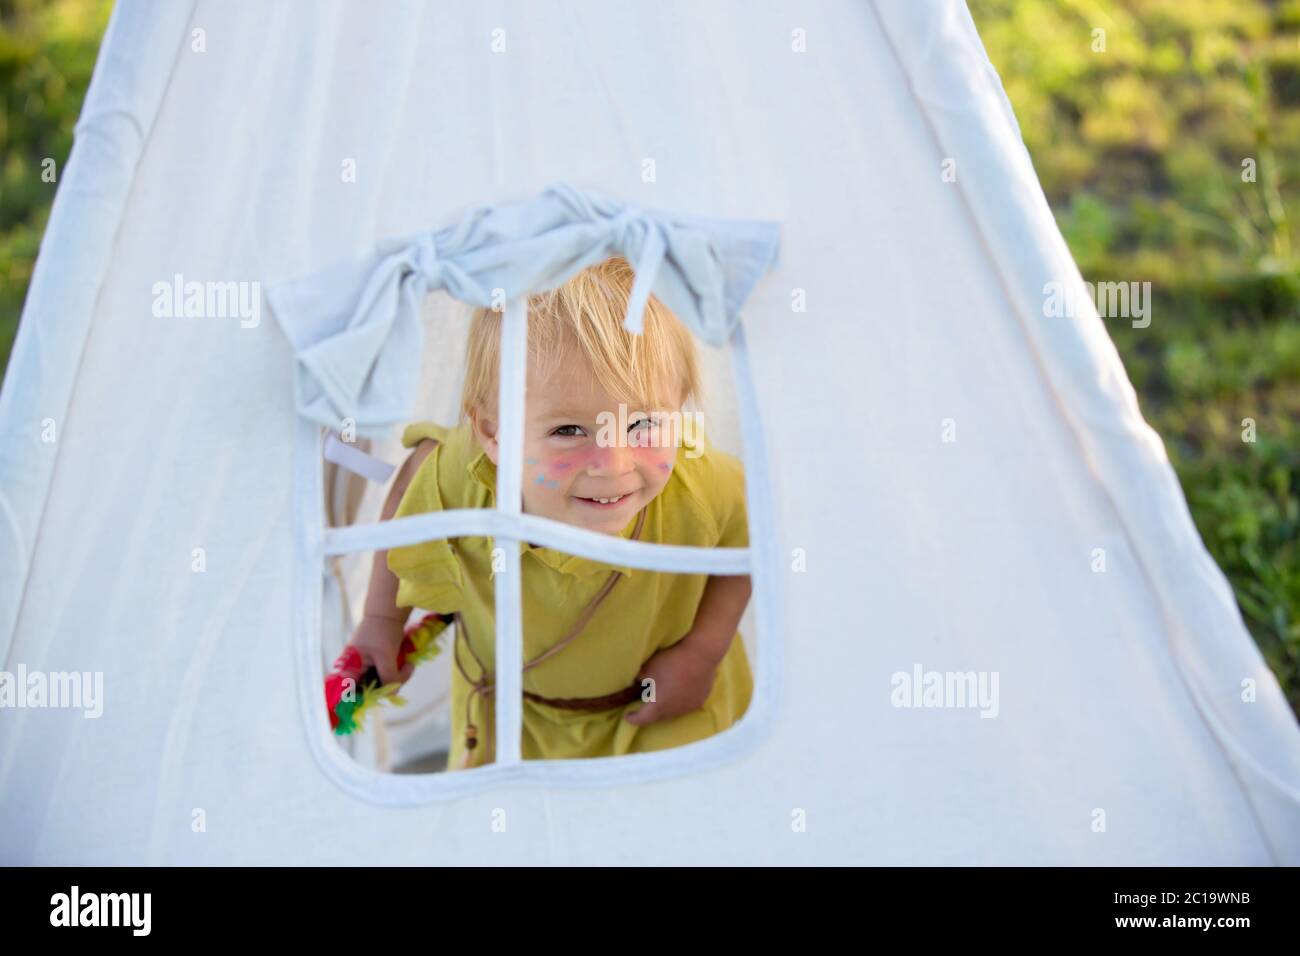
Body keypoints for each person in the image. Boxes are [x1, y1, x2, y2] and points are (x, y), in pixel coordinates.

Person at [349, 256, 753, 769]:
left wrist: (703, 651)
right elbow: (411, 489)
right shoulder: (464, 473)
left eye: (644, 424)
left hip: (659, 713)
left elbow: (745, 541)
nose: (613, 464)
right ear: (493, 433)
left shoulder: (703, 485)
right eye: (568, 431)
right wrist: (381, 621)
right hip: (513, 718)